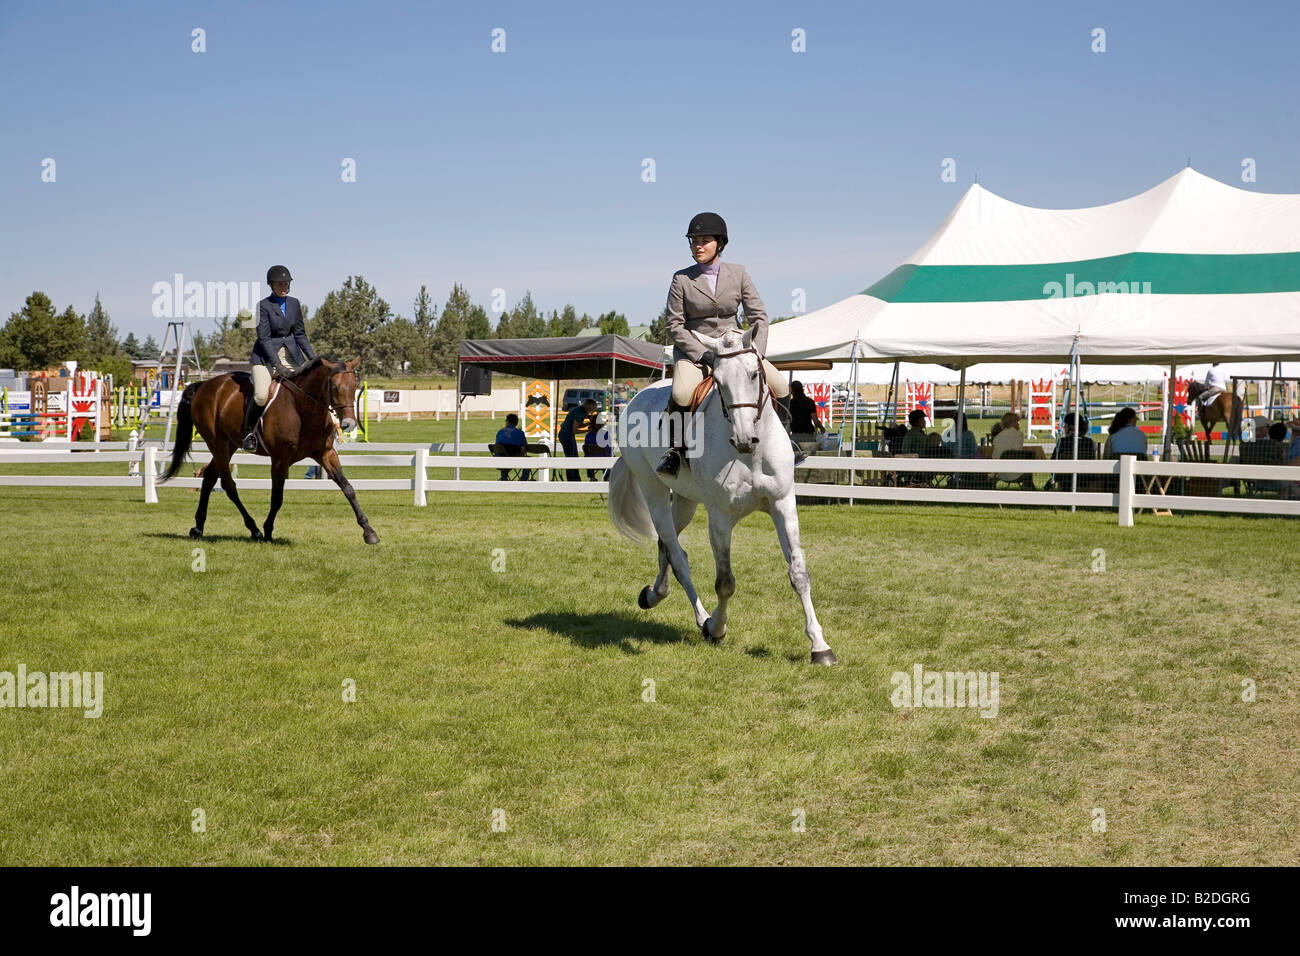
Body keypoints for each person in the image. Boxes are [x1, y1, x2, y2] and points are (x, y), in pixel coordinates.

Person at [657, 212, 795, 475]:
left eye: (704, 240)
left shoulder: (739, 273)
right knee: (681, 394)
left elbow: (759, 317)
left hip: (736, 349)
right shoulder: (681, 279)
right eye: (693, 240)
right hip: (696, 349)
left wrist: (757, 352)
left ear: (719, 243)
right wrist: (701, 355)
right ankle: (674, 451)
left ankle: (787, 441)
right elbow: (674, 325)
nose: (698, 245)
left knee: (780, 384)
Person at [243, 265, 317, 452]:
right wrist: (277, 365)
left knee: (306, 390)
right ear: (271, 285)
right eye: (279, 284)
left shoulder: (294, 303)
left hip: (291, 355)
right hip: (265, 357)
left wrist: (314, 359)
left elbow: (300, 335)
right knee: (261, 395)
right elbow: (264, 338)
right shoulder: (263, 306)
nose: (284, 286)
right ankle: (249, 433)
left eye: (286, 283)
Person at [1049, 412, 1096, 491]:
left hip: (1064, 479)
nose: (1063, 427)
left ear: (1070, 426)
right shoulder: (1089, 442)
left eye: (1065, 425)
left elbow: (1054, 461)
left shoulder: (1062, 441)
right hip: (1085, 478)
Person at [559, 398, 598, 481]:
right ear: (589, 406)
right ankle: (572, 479)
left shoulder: (581, 410)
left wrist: (587, 424)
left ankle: (575, 478)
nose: (594, 410)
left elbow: (578, 425)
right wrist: (588, 430)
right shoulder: (580, 412)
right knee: (571, 458)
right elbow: (575, 430)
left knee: (574, 457)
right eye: (594, 408)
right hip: (566, 435)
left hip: (567, 435)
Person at [991, 411, 1031, 487]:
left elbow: (994, 456)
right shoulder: (1018, 434)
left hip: (1000, 472)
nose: (1019, 423)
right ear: (1013, 422)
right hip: (1016, 471)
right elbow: (1018, 452)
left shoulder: (997, 437)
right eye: (1017, 421)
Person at [495, 412, 529, 481]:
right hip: (516, 458)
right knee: (528, 460)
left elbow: (496, 447)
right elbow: (525, 447)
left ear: (507, 422)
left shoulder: (500, 432)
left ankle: (504, 478)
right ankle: (524, 479)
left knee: (503, 452)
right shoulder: (520, 433)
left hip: (501, 459)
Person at [584, 413, 611, 481]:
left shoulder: (588, 435)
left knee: (587, 457)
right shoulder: (606, 434)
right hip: (604, 459)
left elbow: (586, 449)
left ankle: (592, 477)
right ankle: (607, 477)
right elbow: (609, 450)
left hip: (591, 460)